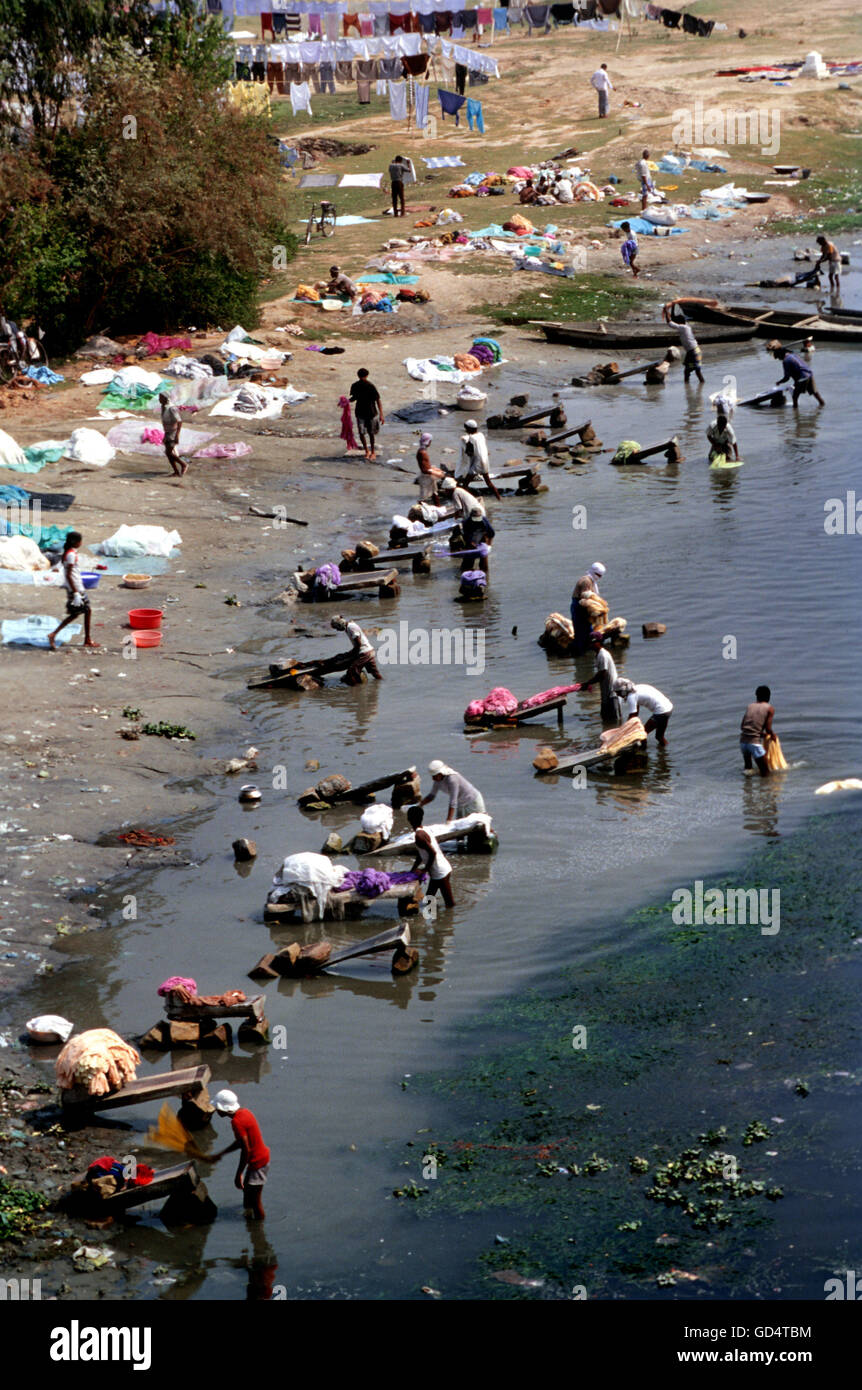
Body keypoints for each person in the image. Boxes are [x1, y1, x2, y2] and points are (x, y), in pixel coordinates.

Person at [211, 1089, 270, 1221]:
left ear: (224, 1109)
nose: (215, 1110)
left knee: (256, 1202)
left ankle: (258, 1235)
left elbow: (246, 1149)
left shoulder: (236, 1122)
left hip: (258, 1163)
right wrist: (222, 1153)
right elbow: (242, 1142)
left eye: (217, 1108)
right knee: (247, 1192)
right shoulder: (245, 1113)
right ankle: (248, 1219)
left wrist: (239, 1173)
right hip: (260, 1159)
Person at [48, 530, 97, 651]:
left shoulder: (69, 553)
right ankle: (54, 634)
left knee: (84, 611)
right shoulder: (71, 555)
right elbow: (69, 575)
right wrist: (75, 593)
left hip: (75, 587)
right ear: (76, 542)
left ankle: (87, 639)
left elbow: (66, 568)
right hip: (75, 588)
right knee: (78, 613)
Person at [407, 804, 455, 908]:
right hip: (438, 870)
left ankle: (448, 921)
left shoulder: (419, 836)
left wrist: (424, 870)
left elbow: (433, 853)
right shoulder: (425, 830)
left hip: (440, 872)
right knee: (429, 902)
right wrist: (413, 869)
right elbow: (421, 854)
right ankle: (437, 921)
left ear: (409, 819)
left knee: (450, 904)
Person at [613, 677, 673, 746]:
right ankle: (664, 754)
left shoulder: (631, 697)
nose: (617, 695)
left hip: (661, 712)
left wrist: (624, 730)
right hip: (668, 707)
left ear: (623, 691)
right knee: (659, 736)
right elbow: (635, 713)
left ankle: (643, 753)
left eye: (618, 693)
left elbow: (633, 716)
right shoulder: (636, 688)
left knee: (641, 734)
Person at [438, 476, 493, 549]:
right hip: (480, 512)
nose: (445, 492)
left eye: (446, 490)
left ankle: (472, 545)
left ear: (449, 489)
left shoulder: (455, 493)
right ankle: (482, 545)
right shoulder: (459, 490)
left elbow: (459, 509)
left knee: (469, 531)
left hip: (474, 514)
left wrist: (455, 519)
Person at [579, 629, 619, 723]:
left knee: (614, 720)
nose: (591, 645)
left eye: (593, 643)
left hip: (612, 693)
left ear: (599, 642)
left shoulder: (603, 655)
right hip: (605, 693)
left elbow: (602, 674)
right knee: (605, 719)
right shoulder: (597, 655)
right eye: (590, 643)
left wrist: (588, 683)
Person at [457, 420, 501, 500]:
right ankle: (499, 498)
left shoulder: (471, 438)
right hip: (485, 462)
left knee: (465, 484)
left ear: (470, 429)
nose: (466, 430)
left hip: (477, 464)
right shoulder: (481, 435)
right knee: (488, 482)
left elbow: (469, 453)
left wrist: (464, 443)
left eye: (466, 429)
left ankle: (465, 500)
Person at [331, 614, 382, 684]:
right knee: (375, 673)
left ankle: (356, 691)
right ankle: (381, 684)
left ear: (340, 624)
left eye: (337, 627)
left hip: (365, 653)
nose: (337, 630)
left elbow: (359, 644)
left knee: (351, 671)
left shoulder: (351, 628)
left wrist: (350, 653)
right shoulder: (349, 625)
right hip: (370, 650)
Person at [770, 343, 825, 408]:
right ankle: (822, 405)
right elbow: (799, 368)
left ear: (781, 355)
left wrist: (779, 382)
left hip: (803, 377)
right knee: (815, 393)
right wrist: (795, 383)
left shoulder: (786, 361)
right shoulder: (793, 355)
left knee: (795, 396)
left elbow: (787, 377)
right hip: (809, 374)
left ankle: (795, 414)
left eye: (778, 357)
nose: (779, 359)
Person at [570, 561, 606, 656]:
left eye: (600, 576)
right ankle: (580, 654)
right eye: (598, 575)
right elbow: (586, 598)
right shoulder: (586, 581)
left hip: (584, 608)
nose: (599, 577)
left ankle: (585, 651)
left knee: (588, 631)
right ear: (593, 572)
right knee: (581, 632)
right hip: (579, 608)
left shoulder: (591, 581)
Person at [663, 300, 704, 383]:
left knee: (696, 371)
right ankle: (690, 387)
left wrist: (666, 310)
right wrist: (673, 306)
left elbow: (669, 322)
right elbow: (673, 318)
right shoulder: (685, 326)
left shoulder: (683, 328)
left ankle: (692, 387)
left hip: (693, 352)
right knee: (689, 371)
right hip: (694, 351)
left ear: (680, 322)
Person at [739, 684, 775, 778]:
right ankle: (765, 790)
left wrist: (760, 734)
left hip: (743, 742)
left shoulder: (750, 706)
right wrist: (773, 735)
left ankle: (747, 789)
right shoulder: (769, 708)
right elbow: (768, 728)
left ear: (756, 695)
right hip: (754, 744)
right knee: (766, 773)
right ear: (769, 696)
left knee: (748, 770)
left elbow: (743, 726)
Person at [349, 367, 384, 459]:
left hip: (362, 412)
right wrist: (381, 414)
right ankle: (370, 451)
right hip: (370, 412)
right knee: (370, 433)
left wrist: (346, 401)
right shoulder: (370, 386)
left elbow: (353, 398)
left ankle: (368, 451)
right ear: (367, 375)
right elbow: (378, 400)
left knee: (363, 433)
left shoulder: (356, 385)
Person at [158, 392, 185, 476]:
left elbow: (179, 421)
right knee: (168, 453)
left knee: (169, 452)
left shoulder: (171, 408)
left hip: (172, 432)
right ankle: (176, 471)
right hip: (167, 432)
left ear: (165, 398)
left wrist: (177, 435)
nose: (159, 400)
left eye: (160, 398)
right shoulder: (163, 407)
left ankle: (183, 464)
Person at [416, 432, 444, 501]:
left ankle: (438, 508)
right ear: (428, 442)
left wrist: (434, 469)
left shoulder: (422, 451)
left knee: (435, 493)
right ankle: (420, 510)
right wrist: (437, 474)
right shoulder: (423, 453)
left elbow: (426, 466)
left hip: (428, 476)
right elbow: (425, 470)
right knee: (423, 498)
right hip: (425, 478)